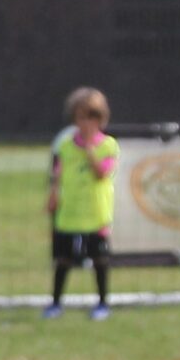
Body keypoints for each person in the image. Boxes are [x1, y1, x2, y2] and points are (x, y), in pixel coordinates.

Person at [44, 86, 119, 320]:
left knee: (99, 260)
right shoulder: (65, 146)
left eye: (92, 118)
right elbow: (57, 174)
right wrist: (53, 195)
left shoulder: (108, 145)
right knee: (63, 260)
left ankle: (102, 304)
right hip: (69, 213)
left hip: (96, 213)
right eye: (82, 118)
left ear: (101, 119)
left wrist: (90, 151)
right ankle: (55, 303)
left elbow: (101, 174)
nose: (87, 123)